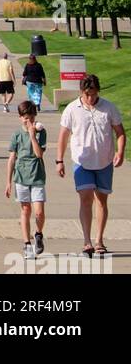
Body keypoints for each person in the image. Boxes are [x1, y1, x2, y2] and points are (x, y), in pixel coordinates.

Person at [56, 74, 125, 257]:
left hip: (104, 162)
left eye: (93, 94)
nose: (90, 98)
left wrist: (120, 152)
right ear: (82, 91)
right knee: (86, 198)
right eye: (87, 94)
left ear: (98, 91)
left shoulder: (108, 108)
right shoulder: (72, 109)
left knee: (101, 201)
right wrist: (59, 160)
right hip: (82, 162)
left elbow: (120, 132)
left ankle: (99, 240)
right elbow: (63, 135)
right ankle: (87, 241)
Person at [5, 100, 48, 258]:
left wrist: (32, 135)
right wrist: (8, 181)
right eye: (25, 117)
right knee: (25, 210)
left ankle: (38, 234)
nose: (28, 120)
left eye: (30, 117)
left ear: (35, 117)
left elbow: (39, 154)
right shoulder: (16, 135)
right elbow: (11, 159)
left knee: (39, 213)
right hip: (21, 177)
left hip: (37, 176)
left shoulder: (40, 132)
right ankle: (27, 244)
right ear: (20, 117)